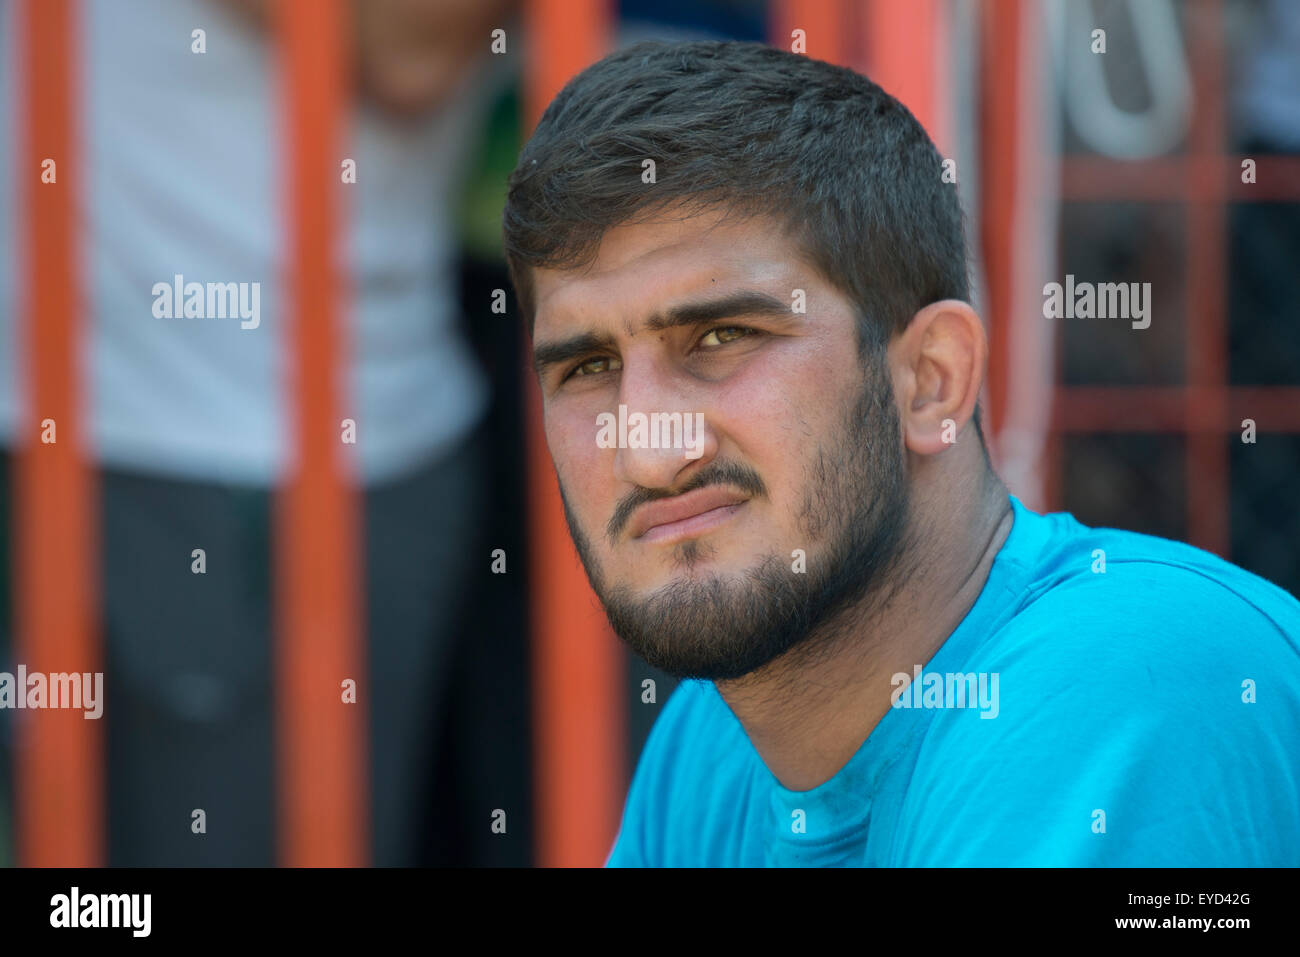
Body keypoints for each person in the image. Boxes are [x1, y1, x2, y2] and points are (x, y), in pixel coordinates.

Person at [500, 40, 1300, 866]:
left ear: (930, 379)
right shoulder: (712, 744)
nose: (649, 454)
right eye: (588, 367)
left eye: (722, 336)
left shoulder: (1121, 680)